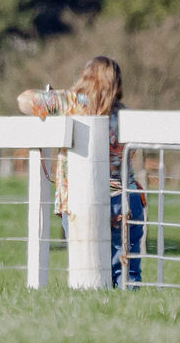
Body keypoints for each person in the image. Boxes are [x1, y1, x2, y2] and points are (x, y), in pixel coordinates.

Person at [17, 55, 143, 286]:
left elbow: (24, 100)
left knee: (86, 269)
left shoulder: (73, 103)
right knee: (127, 272)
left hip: (81, 200)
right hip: (126, 197)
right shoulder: (126, 114)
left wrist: (60, 94)